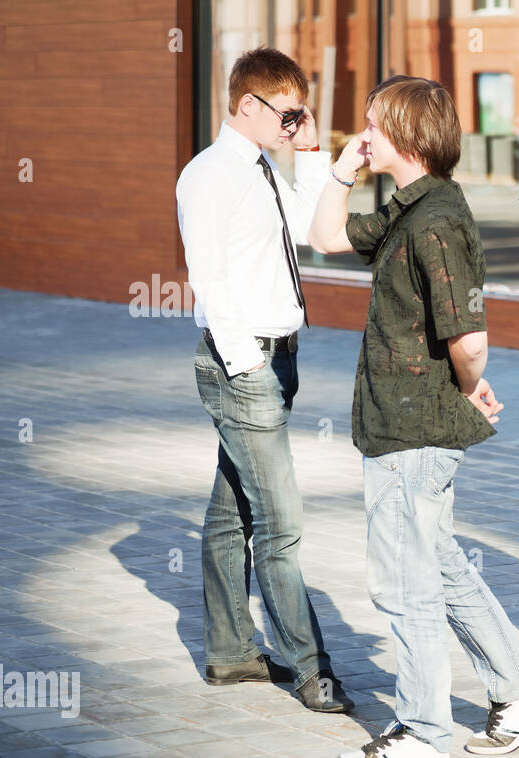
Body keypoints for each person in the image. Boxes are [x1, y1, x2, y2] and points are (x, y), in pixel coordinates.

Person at [308, 76, 519, 758]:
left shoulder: (436, 221)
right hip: (407, 422)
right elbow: (325, 235)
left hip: (410, 431)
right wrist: (342, 169)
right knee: (442, 568)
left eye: (373, 125)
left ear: (410, 136)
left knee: (403, 583)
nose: (363, 134)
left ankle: (422, 735)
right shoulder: (406, 211)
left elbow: (470, 336)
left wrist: (469, 384)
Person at [177, 47, 352, 714]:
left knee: (233, 513)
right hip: (244, 363)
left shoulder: (266, 169)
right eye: (287, 114)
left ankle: (228, 654)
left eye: (299, 114)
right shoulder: (209, 176)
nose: (293, 125)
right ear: (247, 105)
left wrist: (311, 149)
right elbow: (208, 276)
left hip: (281, 358)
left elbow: (314, 229)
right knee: (281, 521)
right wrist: (245, 361)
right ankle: (312, 668)